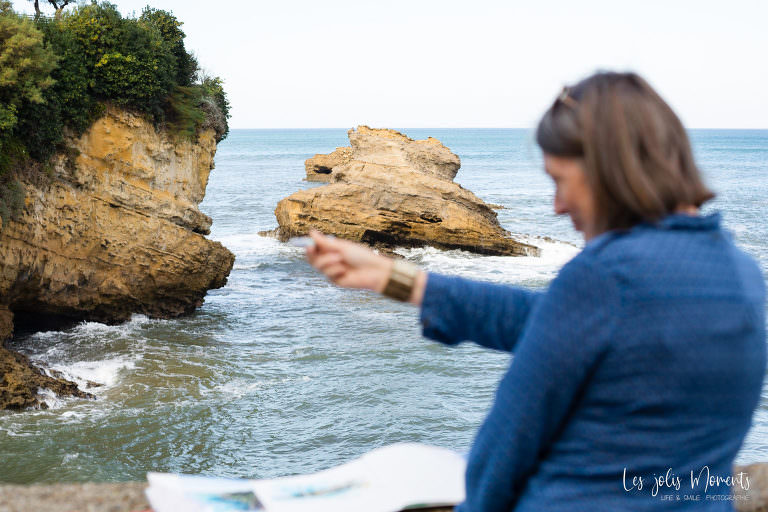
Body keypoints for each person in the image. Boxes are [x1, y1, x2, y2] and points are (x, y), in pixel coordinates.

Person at [305, 71, 766, 511]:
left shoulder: (604, 278)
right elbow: (557, 322)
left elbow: (507, 445)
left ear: (611, 170)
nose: (558, 205)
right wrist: (398, 278)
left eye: (562, 182)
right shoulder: (743, 277)